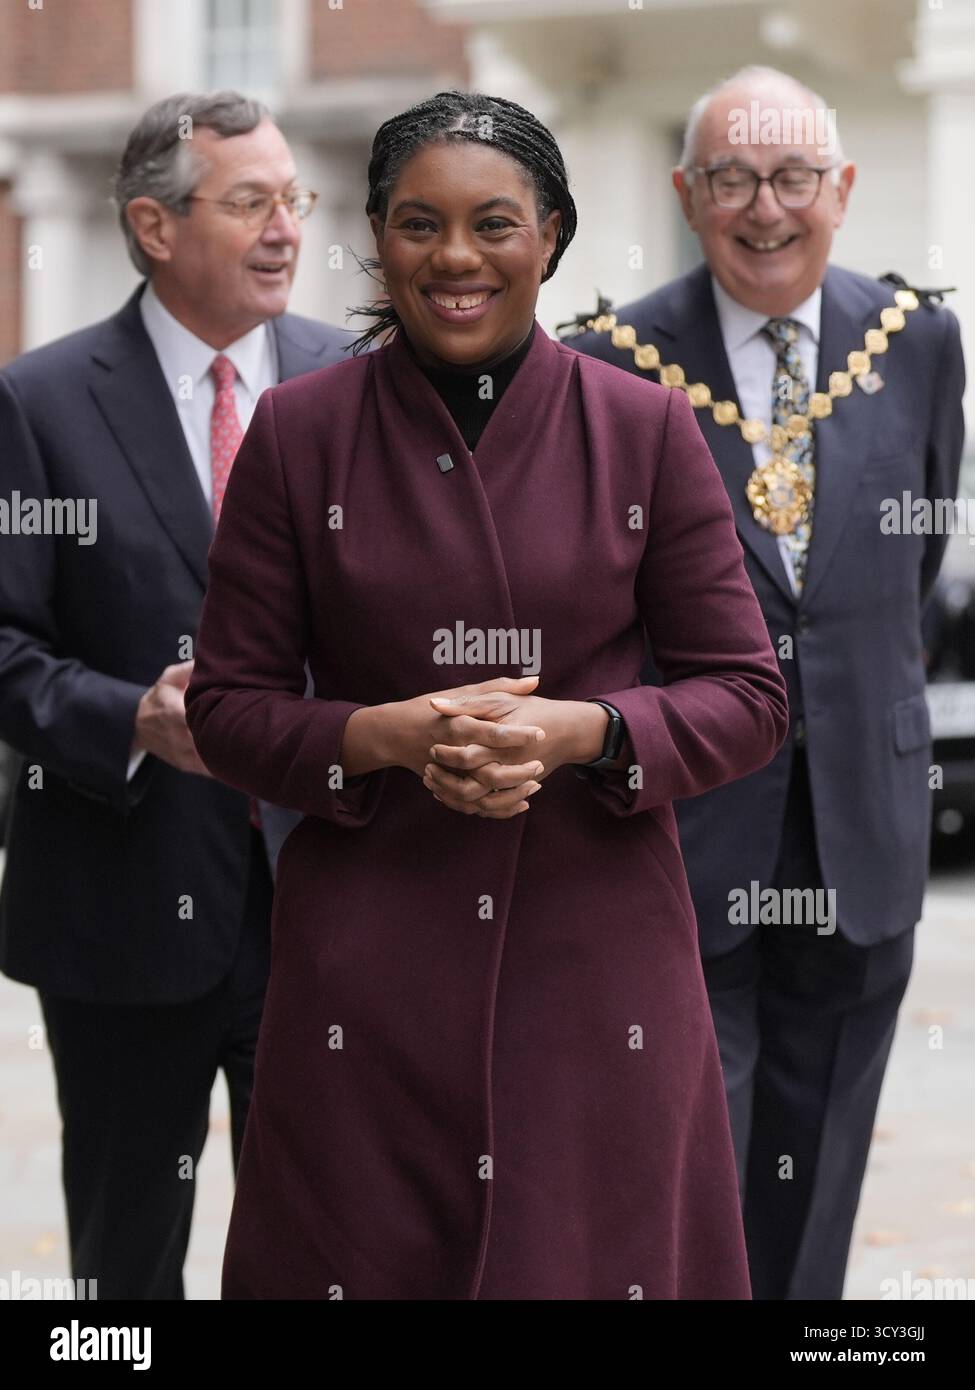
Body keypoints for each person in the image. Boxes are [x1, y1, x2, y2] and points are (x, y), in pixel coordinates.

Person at [184, 90, 788, 1301]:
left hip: (597, 970)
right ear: (375, 237)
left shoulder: (646, 430)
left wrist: (592, 731)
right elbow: (229, 706)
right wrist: (377, 736)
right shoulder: (300, 439)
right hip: (366, 976)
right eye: (419, 223)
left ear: (551, 236)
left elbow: (748, 694)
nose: (456, 257)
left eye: (494, 223)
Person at [570, 65, 966, 1299]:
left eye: (795, 177)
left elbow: (912, 554)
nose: (766, 207)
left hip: (864, 815)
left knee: (823, 1164)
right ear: (689, 194)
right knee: (688, 1163)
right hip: (682, 832)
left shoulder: (918, 341)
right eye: (732, 178)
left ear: (841, 189)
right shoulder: (610, 358)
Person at [0, 90, 353, 1299]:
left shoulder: (351, 379)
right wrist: (128, 721)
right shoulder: (37, 403)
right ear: (154, 225)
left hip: (328, 900)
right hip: (123, 904)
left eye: (292, 200)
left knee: (326, 1251)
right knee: (125, 1266)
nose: (284, 230)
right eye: (248, 201)